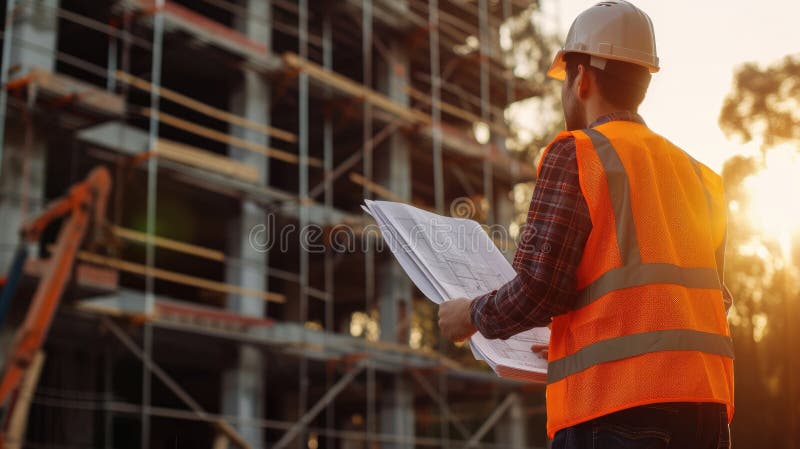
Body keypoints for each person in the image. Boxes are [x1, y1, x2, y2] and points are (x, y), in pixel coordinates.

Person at [436, 1, 735, 448]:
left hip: (616, 411)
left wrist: (470, 316)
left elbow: (541, 287)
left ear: (584, 78)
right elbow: (708, 301)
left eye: (564, 80)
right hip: (706, 410)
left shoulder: (577, 152)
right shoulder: (700, 175)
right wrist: (579, 338)